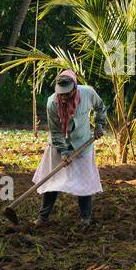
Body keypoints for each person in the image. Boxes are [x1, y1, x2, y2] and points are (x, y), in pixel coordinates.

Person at [33, 68, 106, 228]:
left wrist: (100, 125)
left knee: (84, 182)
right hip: (59, 144)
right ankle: (43, 217)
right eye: (61, 93)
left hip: (82, 143)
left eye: (67, 93)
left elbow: (100, 107)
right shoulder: (52, 103)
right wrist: (64, 152)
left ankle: (86, 218)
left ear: (75, 87)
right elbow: (56, 131)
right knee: (52, 180)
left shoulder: (88, 93)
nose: (64, 97)